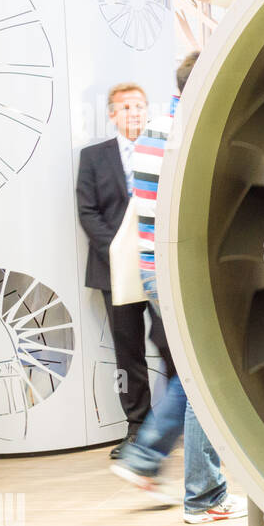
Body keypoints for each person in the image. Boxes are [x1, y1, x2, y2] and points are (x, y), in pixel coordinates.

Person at [110, 52, 246, 524]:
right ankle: (203, 497)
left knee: (193, 377)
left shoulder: (159, 129)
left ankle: (147, 458)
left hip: (157, 269)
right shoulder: (184, 135)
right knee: (204, 377)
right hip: (178, 271)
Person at [76, 83, 176, 458]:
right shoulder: (93, 157)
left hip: (157, 265)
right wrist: (119, 253)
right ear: (112, 114)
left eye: (140, 107)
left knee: (169, 343)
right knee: (127, 349)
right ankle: (137, 427)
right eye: (127, 107)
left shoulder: (164, 151)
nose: (135, 113)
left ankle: (174, 421)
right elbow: (88, 213)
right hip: (113, 270)